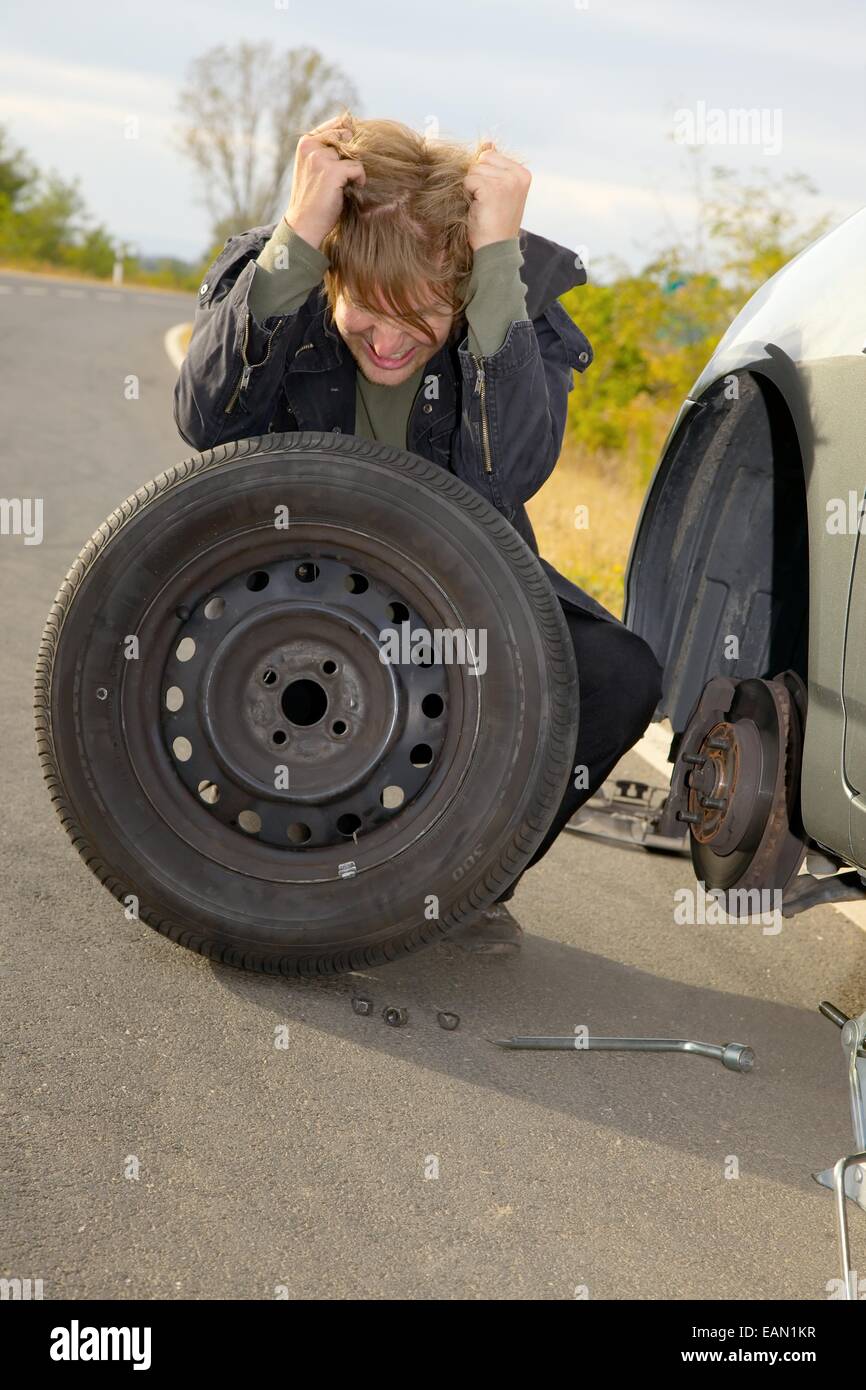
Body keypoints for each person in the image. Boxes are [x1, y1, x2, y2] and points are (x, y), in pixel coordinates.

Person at [175, 113, 662, 955]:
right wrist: (299, 239)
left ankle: (464, 885)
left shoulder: (517, 303)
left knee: (618, 671)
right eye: (367, 308)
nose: (393, 339)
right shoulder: (286, 269)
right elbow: (205, 423)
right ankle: (228, 844)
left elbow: (502, 476)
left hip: (451, 589)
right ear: (333, 274)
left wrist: (498, 264)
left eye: (426, 313)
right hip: (283, 582)